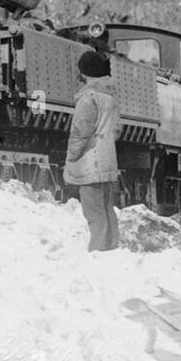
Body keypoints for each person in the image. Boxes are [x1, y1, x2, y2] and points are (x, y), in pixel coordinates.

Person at [65, 49, 121, 251]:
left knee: (93, 213)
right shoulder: (110, 98)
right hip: (107, 162)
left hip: (90, 164)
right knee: (107, 210)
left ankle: (97, 254)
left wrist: (72, 157)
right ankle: (112, 250)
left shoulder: (88, 98)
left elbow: (80, 131)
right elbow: (117, 130)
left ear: (85, 72)